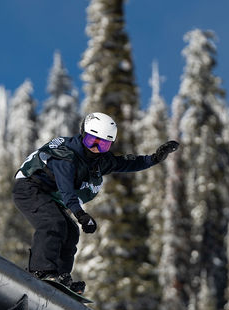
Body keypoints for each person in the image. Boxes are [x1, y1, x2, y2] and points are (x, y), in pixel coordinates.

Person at [12, 111, 178, 294]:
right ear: (83, 134)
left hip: (48, 194)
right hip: (29, 188)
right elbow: (67, 191)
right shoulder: (66, 156)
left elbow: (125, 163)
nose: (95, 149)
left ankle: (60, 277)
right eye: (92, 141)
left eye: (103, 145)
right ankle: (41, 271)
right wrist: (80, 214)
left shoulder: (100, 161)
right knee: (53, 223)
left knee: (71, 232)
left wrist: (153, 159)